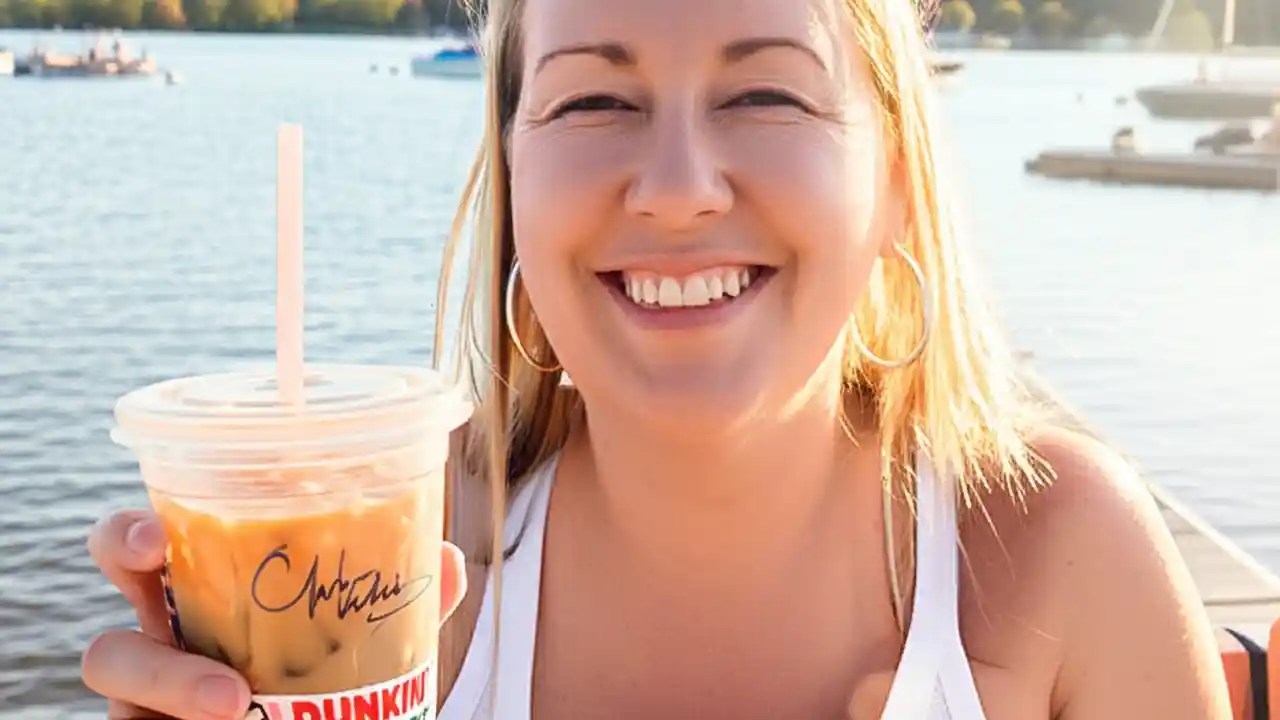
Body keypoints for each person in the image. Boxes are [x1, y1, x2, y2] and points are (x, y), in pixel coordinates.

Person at [81, 0, 1232, 718]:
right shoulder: (392, 572)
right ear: (515, 181)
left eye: (766, 90)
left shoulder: (1058, 559)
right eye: (592, 100)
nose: (678, 187)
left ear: (895, 182)